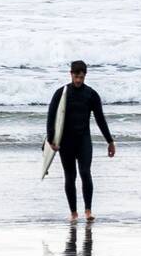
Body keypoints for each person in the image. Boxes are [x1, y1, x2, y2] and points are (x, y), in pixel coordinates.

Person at [46, 60, 115, 223]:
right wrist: (50, 139)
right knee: (70, 176)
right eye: (76, 77)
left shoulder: (91, 94)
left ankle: (88, 210)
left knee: (85, 172)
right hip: (66, 142)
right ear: (71, 74)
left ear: (85, 76)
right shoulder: (61, 93)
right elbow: (51, 117)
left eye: (81, 77)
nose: (78, 80)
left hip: (83, 140)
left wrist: (110, 141)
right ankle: (73, 213)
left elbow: (100, 120)